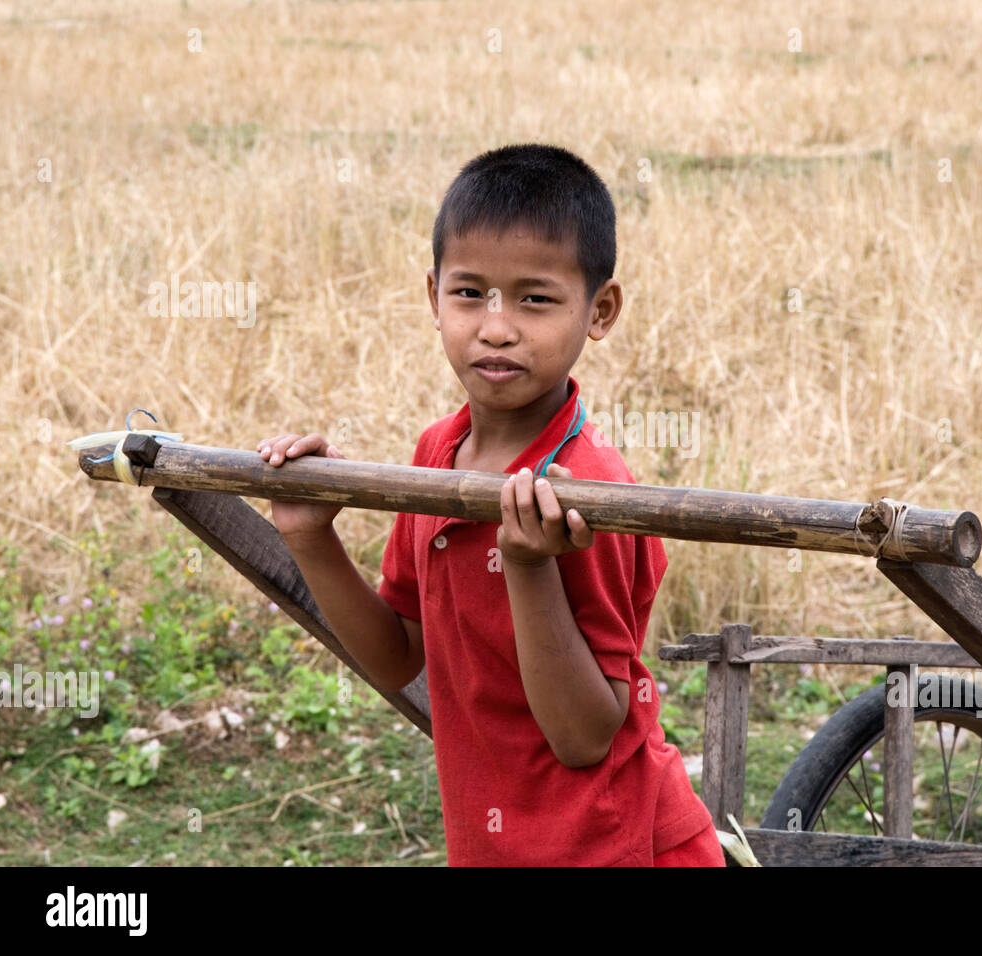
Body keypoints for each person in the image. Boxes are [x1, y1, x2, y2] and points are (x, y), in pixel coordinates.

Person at [254, 143, 724, 866]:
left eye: (535, 298)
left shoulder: (593, 490)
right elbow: (397, 656)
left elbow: (584, 736)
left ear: (600, 310)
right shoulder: (435, 457)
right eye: (470, 293)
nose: (496, 327)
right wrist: (312, 540)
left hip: (620, 847)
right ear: (433, 296)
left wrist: (530, 566)